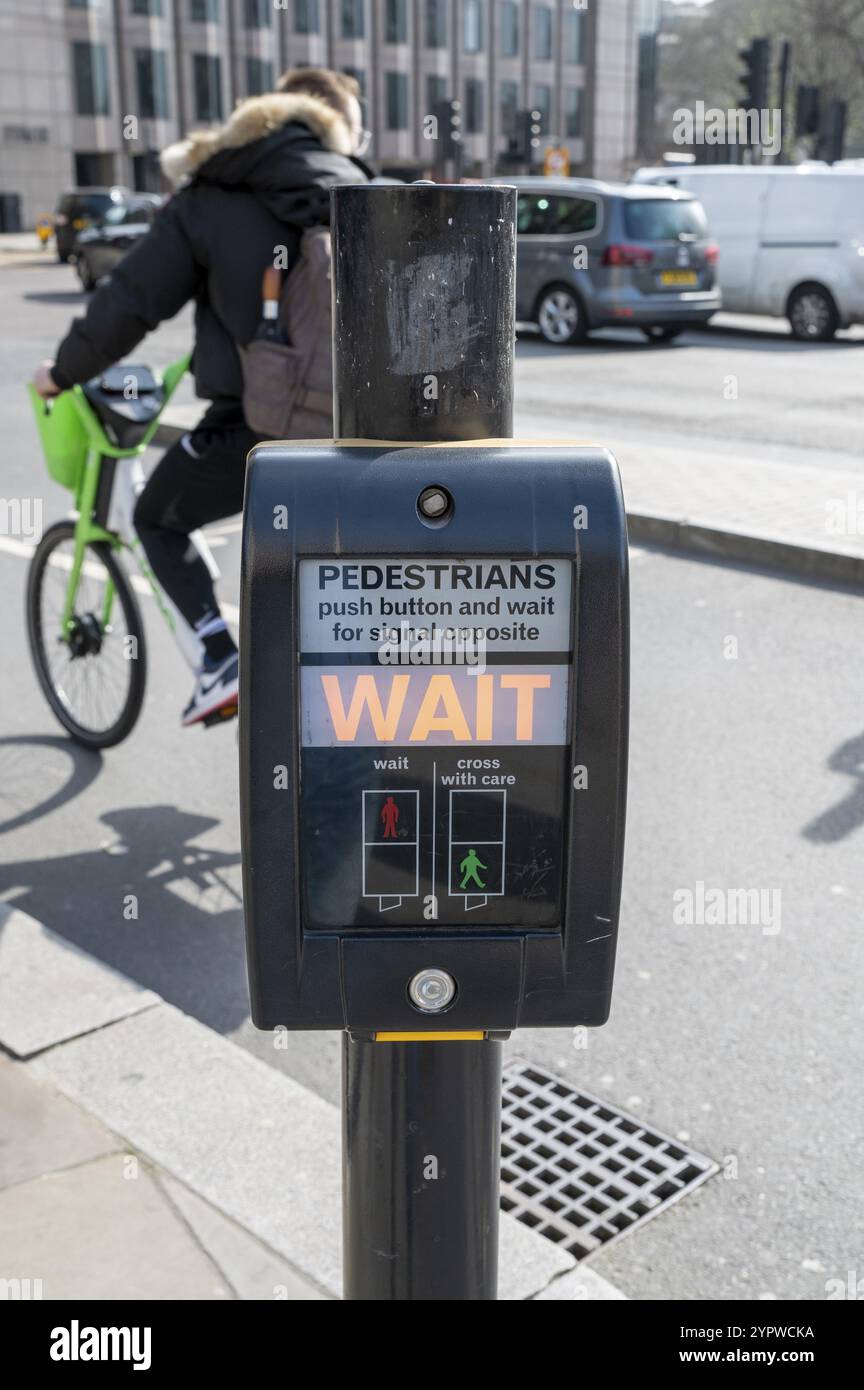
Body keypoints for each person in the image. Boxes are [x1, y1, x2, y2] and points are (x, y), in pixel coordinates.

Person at [32, 68, 372, 726]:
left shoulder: (210, 195)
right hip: (364, 433)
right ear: (336, 126)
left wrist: (64, 372)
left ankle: (219, 659)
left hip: (259, 428)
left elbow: (131, 302)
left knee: (157, 517)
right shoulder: (361, 192)